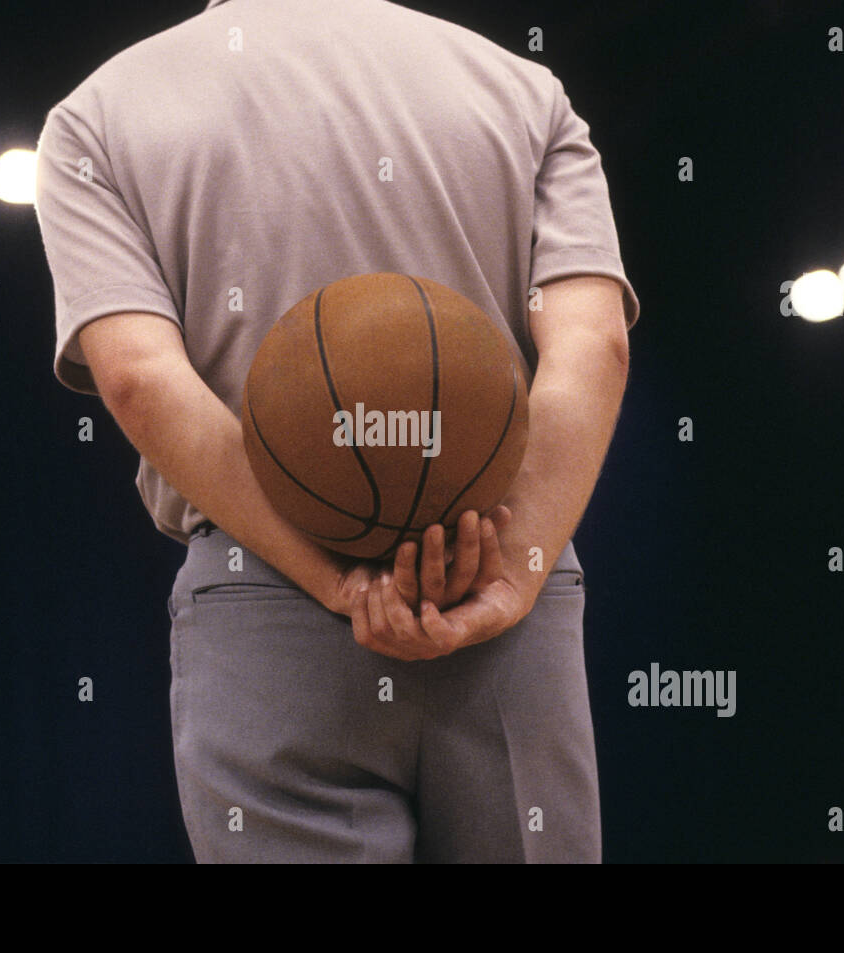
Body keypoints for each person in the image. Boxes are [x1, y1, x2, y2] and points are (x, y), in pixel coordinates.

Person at [35, 0, 639, 862]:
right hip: (500, 582)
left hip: (264, 591)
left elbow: (139, 378)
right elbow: (596, 343)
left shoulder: (96, 115)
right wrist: (514, 571)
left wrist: (334, 580)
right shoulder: (525, 89)